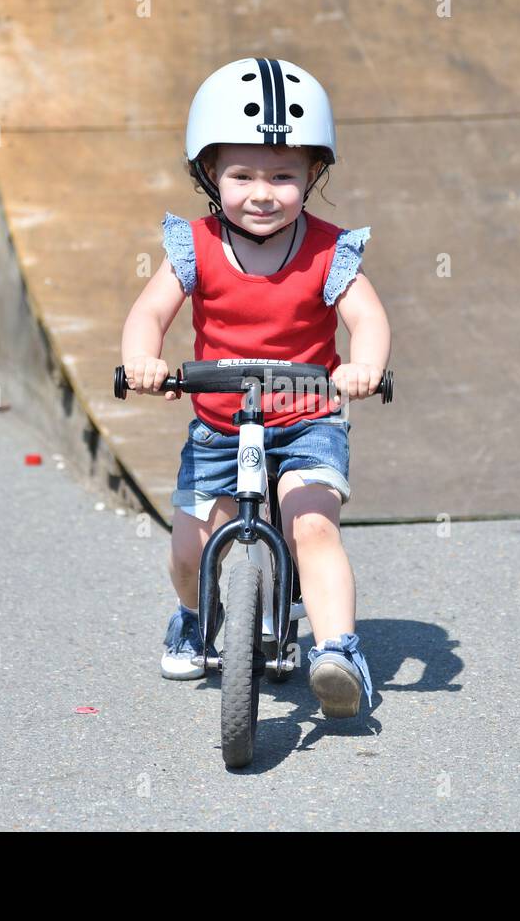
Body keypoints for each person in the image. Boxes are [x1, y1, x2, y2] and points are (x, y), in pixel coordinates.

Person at [119, 57, 391, 718]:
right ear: (210, 175)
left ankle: (339, 651)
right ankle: (191, 616)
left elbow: (366, 317)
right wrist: (143, 360)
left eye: (284, 176)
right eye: (242, 175)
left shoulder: (329, 252)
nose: (262, 192)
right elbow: (150, 313)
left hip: (307, 419)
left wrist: (363, 366)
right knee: (190, 548)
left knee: (313, 526)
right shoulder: (194, 247)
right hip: (221, 421)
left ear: (313, 176)